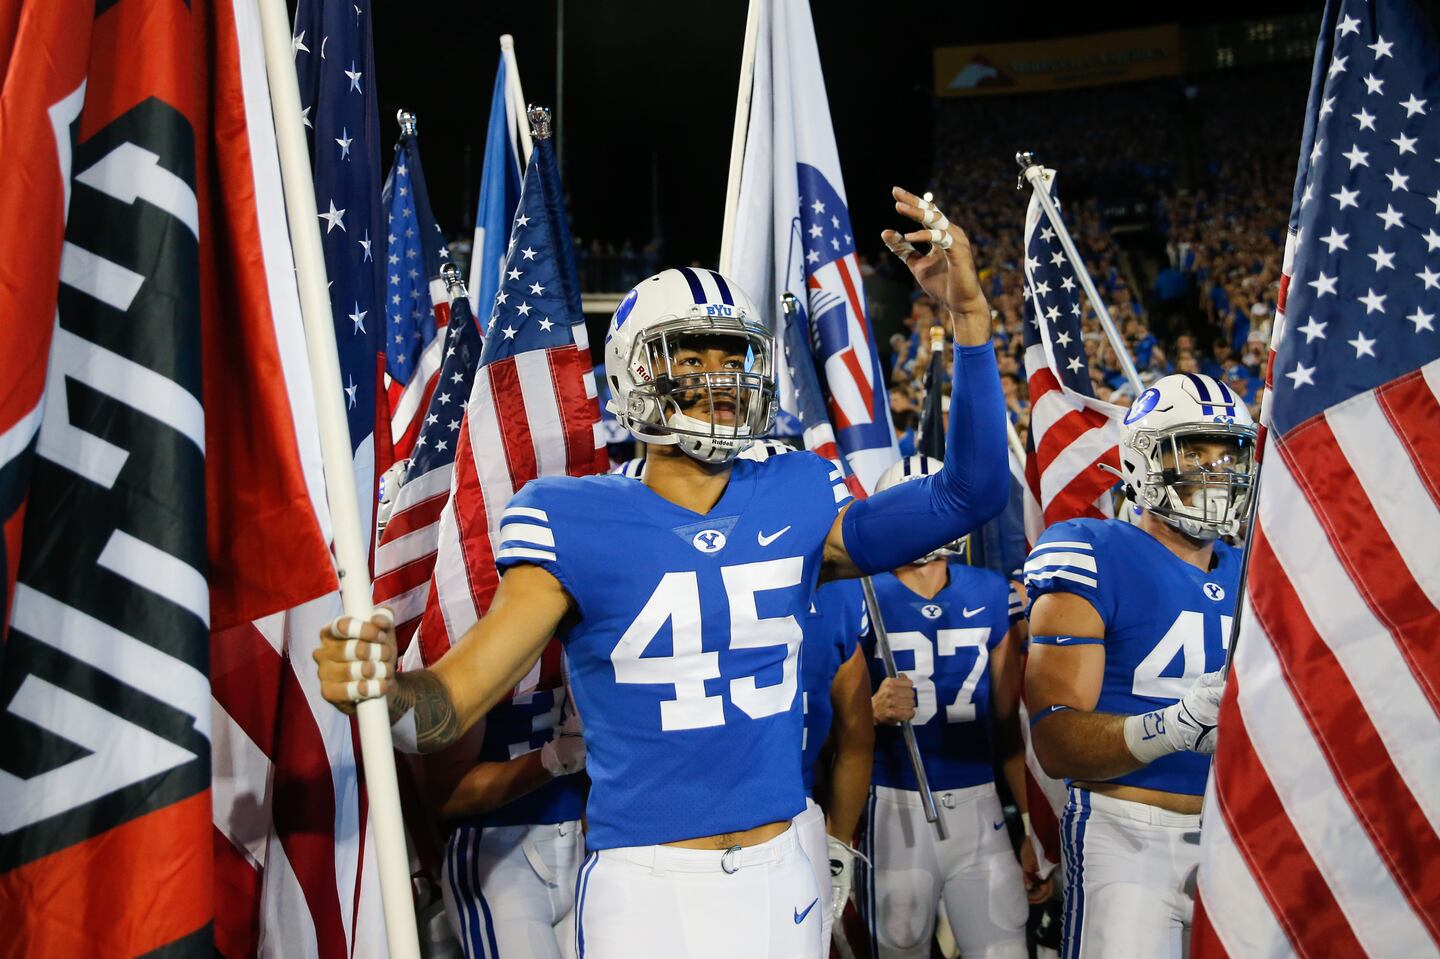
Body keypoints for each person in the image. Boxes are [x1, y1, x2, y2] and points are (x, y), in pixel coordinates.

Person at [314, 187, 1009, 959]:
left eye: (732, 356)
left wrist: (970, 321)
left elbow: (970, 492)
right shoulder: (571, 517)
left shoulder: (800, 489)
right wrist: (383, 691)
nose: (718, 376)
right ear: (635, 370)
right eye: (690, 356)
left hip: (787, 862)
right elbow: (446, 702)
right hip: (649, 880)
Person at [1023, 372, 1256, 958]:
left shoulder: (1258, 569)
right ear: (1143, 460)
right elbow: (1056, 742)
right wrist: (1174, 727)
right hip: (1126, 831)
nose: (1216, 471)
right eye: (1194, 451)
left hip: (1243, 834)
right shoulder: (1091, 549)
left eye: (1229, 453)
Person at [861, 456, 1048, 959]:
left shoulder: (993, 594)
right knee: (898, 943)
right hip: (892, 802)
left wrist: (1031, 828)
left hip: (979, 801)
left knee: (1005, 946)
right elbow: (831, 721)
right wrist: (868, 710)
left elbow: (1007, 728)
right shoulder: (859, 595)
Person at [735, 441, 875, 951]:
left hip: (795, 810)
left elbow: (856, 737)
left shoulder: (837, 592)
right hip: (699, 823)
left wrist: (838, 836)